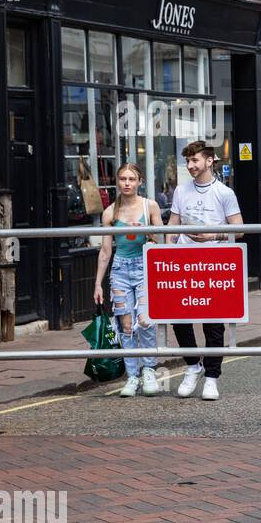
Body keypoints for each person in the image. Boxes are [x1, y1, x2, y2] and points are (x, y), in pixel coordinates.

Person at [167, 141, 244, 402]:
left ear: (209, 161)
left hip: (214, 264)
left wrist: (213, 234)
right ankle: (192, 366)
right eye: (187, 161)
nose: (190, 166)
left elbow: (239, 228)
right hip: (184, 263)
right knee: (179, 318)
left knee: (213, 323)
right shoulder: (180, 190)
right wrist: (167, 256)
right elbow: (172, 225)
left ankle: (211, 377)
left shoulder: (224, 193)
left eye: (195, 160)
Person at [93, 163, 164, 397]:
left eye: (131, 179)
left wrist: (146, 231)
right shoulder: (110, 213)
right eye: (123, 179)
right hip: (120, 270)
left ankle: (149, 370)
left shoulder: (150, 206)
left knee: (145, 320)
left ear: (139, 181)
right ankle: (132, 376)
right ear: (117, 181)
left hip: (144, 267)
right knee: (125, 326)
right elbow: (105, 251)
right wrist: (98, 284)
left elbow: (164, 241)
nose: (127, 183)